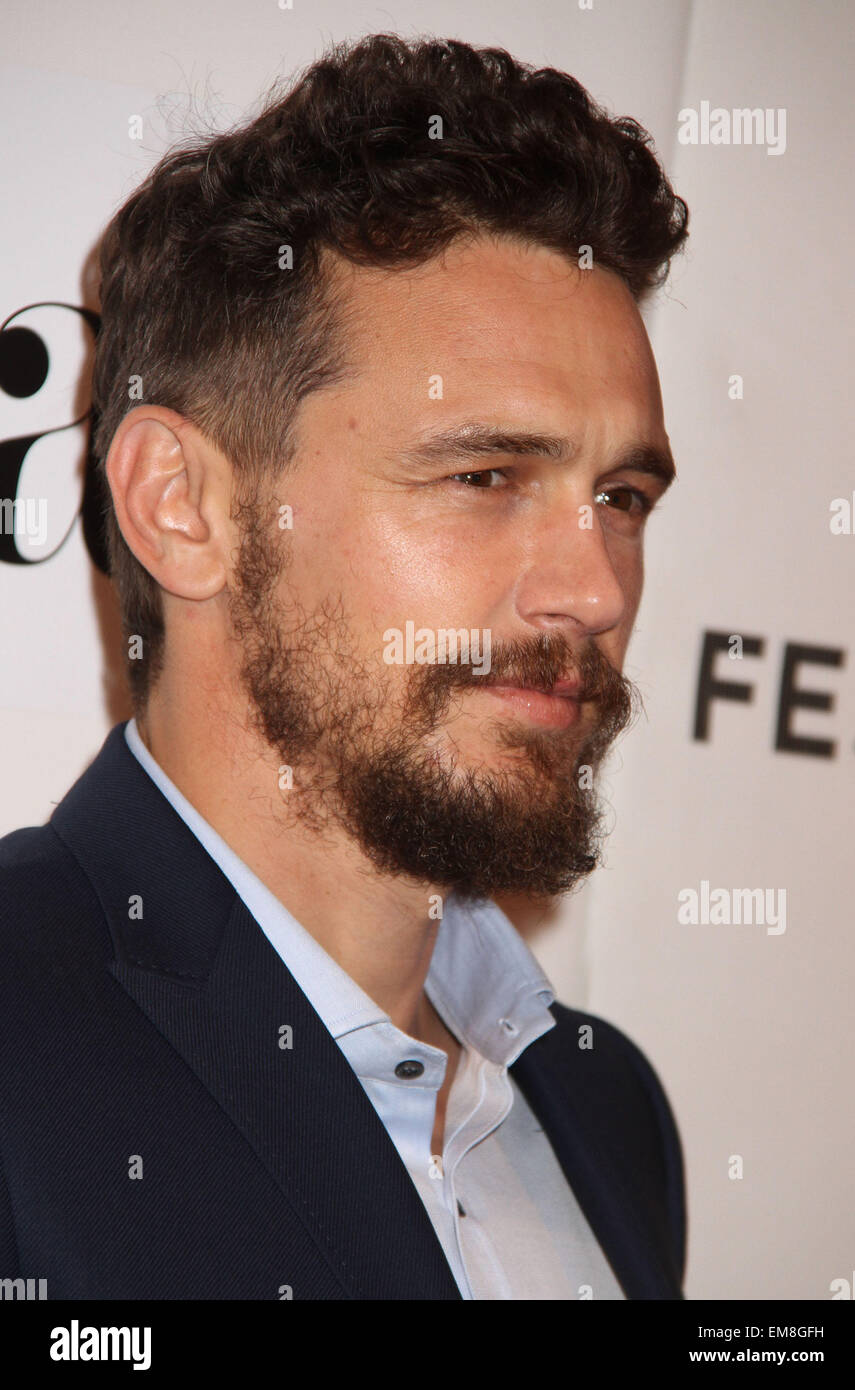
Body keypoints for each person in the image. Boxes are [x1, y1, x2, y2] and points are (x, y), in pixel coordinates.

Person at [0, 32, 689, 1300]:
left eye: (625, 495)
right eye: (484, 476)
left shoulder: (607, 1107)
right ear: (182, 507)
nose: (594, 589)